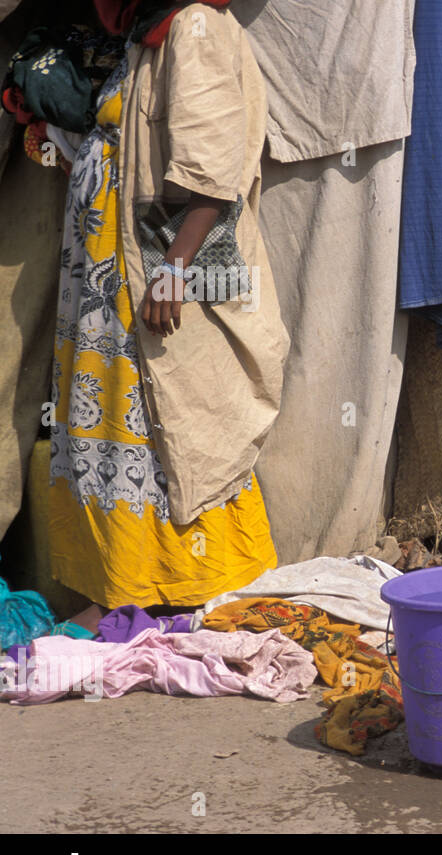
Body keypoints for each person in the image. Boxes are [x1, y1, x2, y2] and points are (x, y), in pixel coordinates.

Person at [48, 0, 286, 619]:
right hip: (108, 279)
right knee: (113, 423)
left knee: (167, 418)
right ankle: (118, 584)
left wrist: (174, 270)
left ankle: (183, 585)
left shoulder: (193, 25)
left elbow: (211, 171)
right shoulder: (147, 33)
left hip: (150, 270)